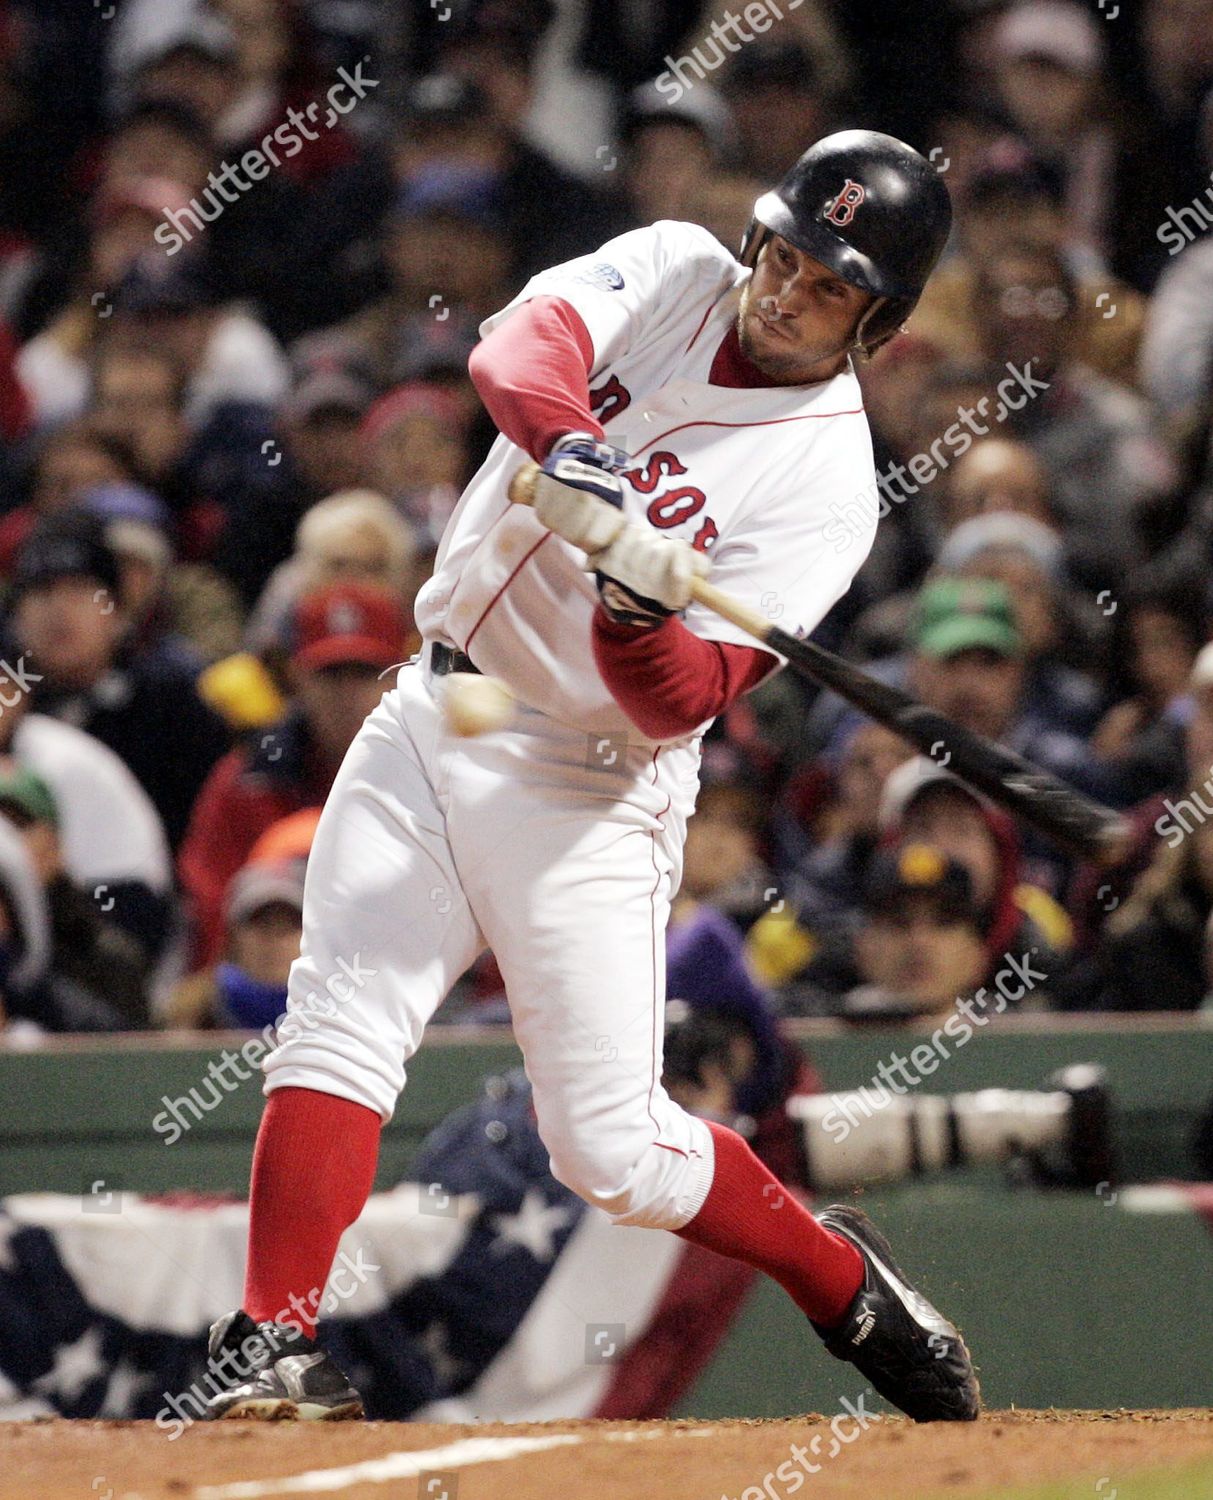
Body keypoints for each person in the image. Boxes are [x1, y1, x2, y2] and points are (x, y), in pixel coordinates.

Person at [202, 131, 979, 1425]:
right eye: (782, 253)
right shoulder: (676, 267)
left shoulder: (828, 484)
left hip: (585, 777)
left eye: (827, 282)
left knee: (610, 1149)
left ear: (876, 322)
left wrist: (632, 608)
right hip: (433, 705)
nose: (784, 288)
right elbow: (511, 356)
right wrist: (572, 456)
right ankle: (268, 1340)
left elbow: (686, 698)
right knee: (340, 1015)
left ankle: (837, 1274)